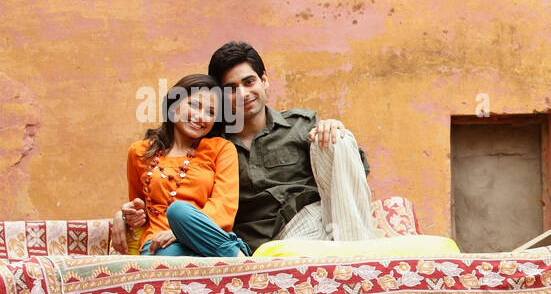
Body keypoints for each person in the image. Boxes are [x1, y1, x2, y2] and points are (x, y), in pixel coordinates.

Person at [207, 41, 374, 253]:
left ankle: (355, 256)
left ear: (264, 80)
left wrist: (333, 129)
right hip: (266, 242)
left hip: (320, 220)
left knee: (336, 137)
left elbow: (354, 171)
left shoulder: (299, 125)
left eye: (249, 82)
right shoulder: (214, 146)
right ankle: (349, 257)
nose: (243, 94)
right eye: (231, 89)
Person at [113, 74, 250, 258]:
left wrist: (178, 232)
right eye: (194, 105)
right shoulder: (140, 152)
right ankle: (239, 260)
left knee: (179, 211)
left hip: (208, 240)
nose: (200, 117)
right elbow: (139, 210)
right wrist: (122, 216)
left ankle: (235, 260)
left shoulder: (221, 149)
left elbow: (224, 207)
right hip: (160, 245)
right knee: (171, 231)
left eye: (210, 112)